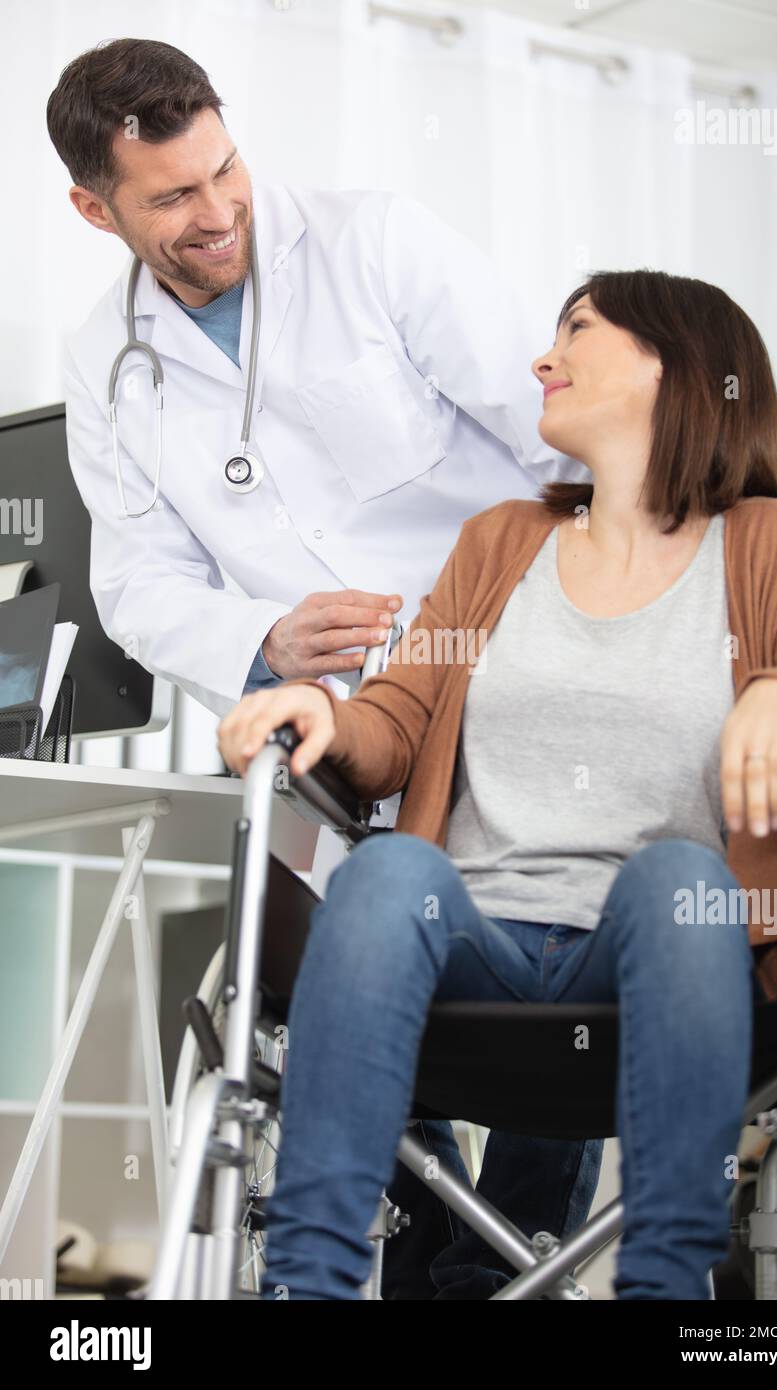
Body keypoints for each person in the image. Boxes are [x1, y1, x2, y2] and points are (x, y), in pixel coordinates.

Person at [46, 37, 598, 1299]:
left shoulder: (375, 245)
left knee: (538, 965)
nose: (217, 210)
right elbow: (135, 584)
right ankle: (446, 1269)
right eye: (171, 198)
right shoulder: (103, 357)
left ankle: (510, 1272)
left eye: (224, 170)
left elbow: (550, 434)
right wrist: (258, 639)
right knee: (351, 988)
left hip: (499, 677)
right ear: (95, 207)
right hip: (326, 727)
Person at [219, 269, 777, 1300]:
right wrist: (324, 715)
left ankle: (665, 1295)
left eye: (576, 330)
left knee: (672, 879)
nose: (542, 357)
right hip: (474, 957)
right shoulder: (500, 541)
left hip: (664, 964)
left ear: (673, 363)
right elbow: (393, 724)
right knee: (386, 872)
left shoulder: (765, 546)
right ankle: (313, 1290)